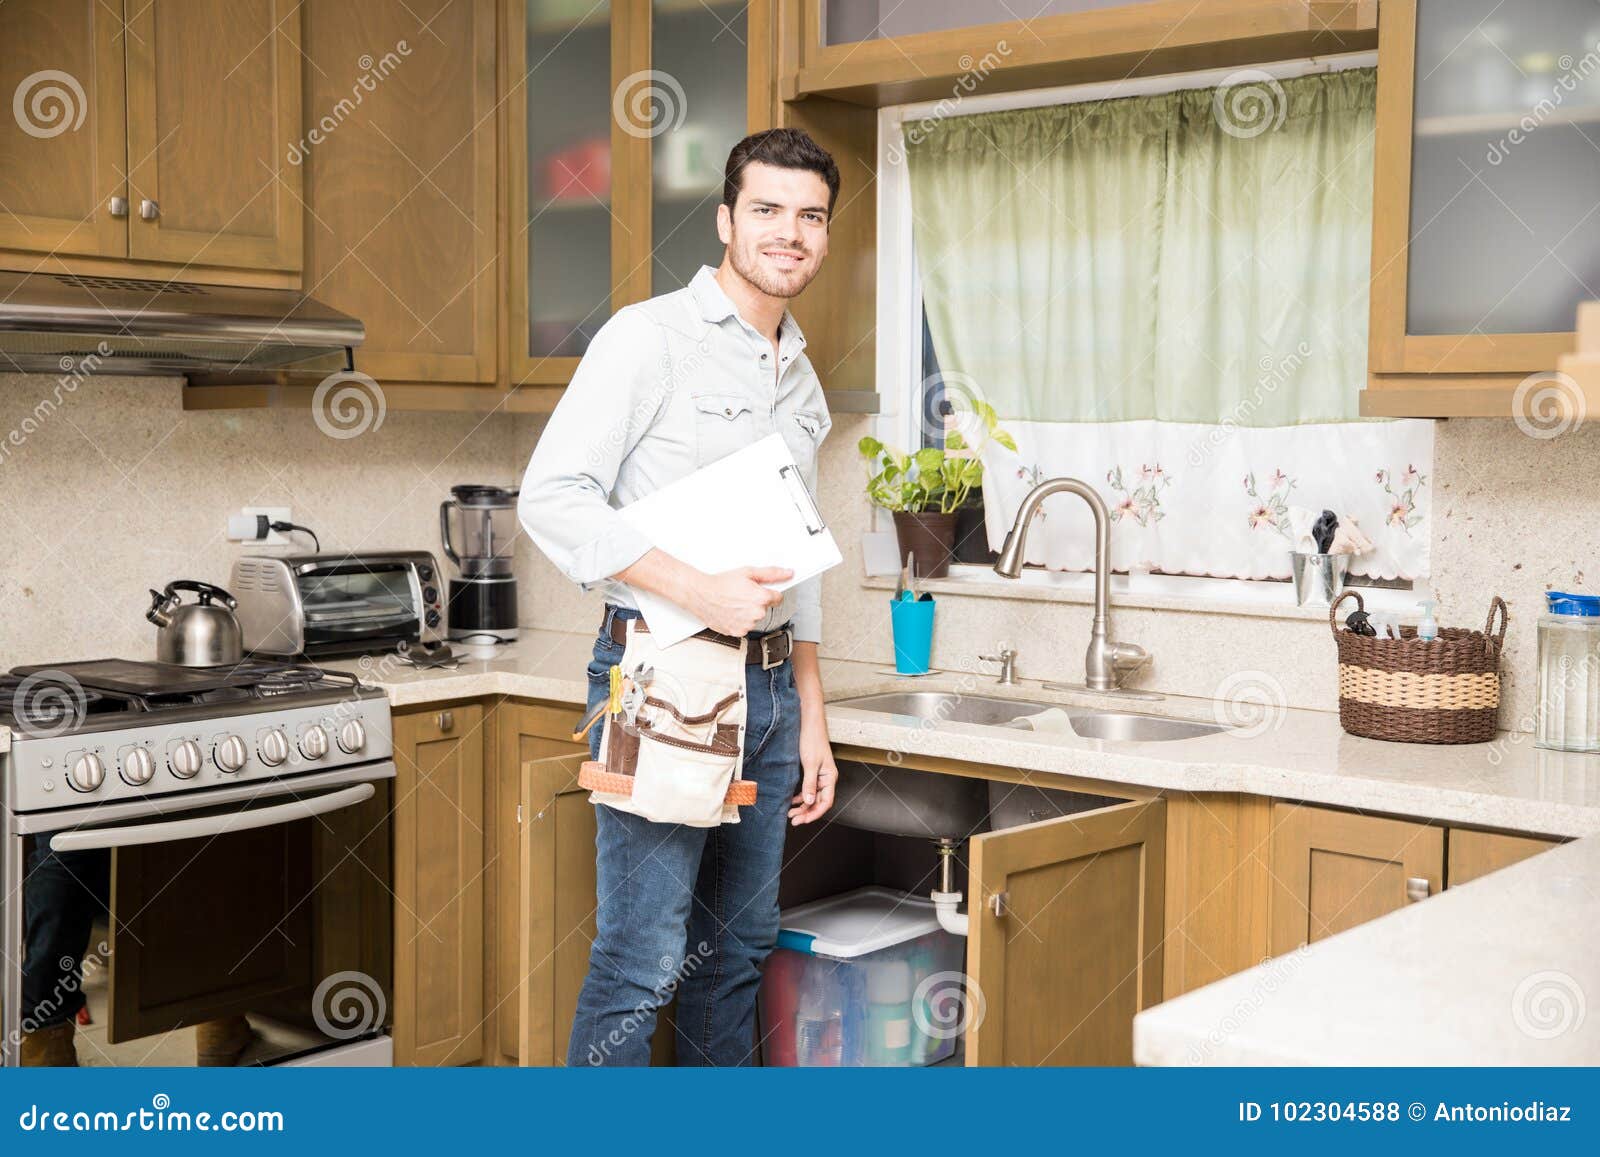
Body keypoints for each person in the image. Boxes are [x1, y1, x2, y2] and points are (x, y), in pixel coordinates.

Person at [519, 127, 842, 1066]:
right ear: (727, 221)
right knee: (643, 956)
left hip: (774, 694)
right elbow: (553, 497)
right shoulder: (647, 339)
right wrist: (697, 586)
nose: (791, 233)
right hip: (662, 676)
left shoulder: (801, 376)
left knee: (736, 952)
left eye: (811, 217)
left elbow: (801, 556)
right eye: (769, 210)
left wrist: (812, 714)